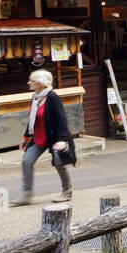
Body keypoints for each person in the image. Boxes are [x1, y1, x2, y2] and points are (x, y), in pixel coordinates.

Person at [16, 69, 75, 205]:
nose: (28, 82)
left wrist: (62, 140)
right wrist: (25, 138)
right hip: (38, 137)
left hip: (54, 137)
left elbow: (62, 120)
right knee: (27, 161)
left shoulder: (52, 97)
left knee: (59, 163)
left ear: (42, 83)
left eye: (32, 80)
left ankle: (67, 191)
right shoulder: (35, 97)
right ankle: (26, 195)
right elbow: (33, 120)